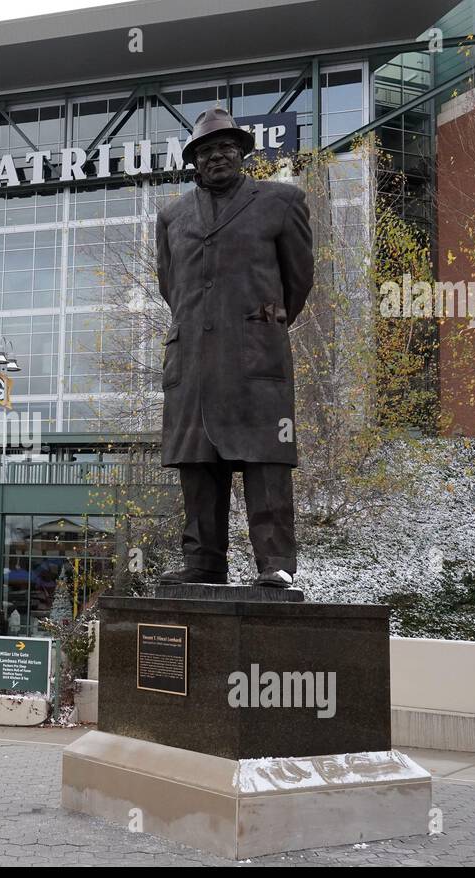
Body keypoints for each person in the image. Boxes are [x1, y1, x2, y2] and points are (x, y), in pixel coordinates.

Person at [155, 107, 314, 588]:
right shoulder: (171, 216)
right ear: (194, 162)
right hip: (193, 363)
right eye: (206, 150)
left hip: (255, 360)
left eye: (225, 147)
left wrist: (257, 325)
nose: (216, 156)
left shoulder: (282, 203)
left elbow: (298, 282)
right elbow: (171, 286)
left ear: (242, 153)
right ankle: (203, 562)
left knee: (267, 461)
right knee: (198, 465)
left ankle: (276, 565)